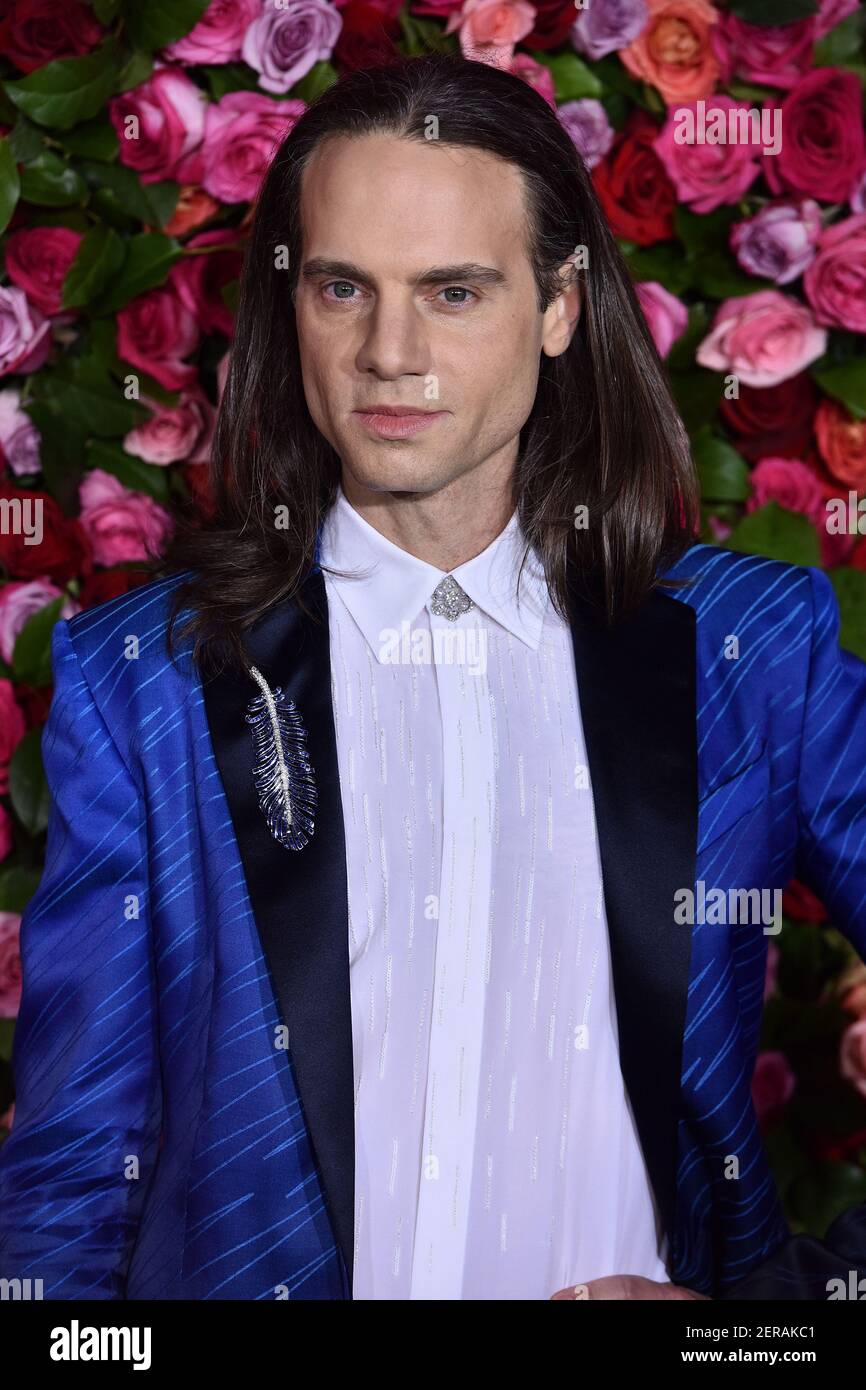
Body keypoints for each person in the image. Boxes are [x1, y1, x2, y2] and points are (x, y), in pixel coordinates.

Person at [1, 53, 865, 1302]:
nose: (386, 353)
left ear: (558, 307)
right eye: (343, 288)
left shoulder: (750, 648)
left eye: (452, 292)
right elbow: (76, 1173)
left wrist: (776, 1327)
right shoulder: (141, 682)